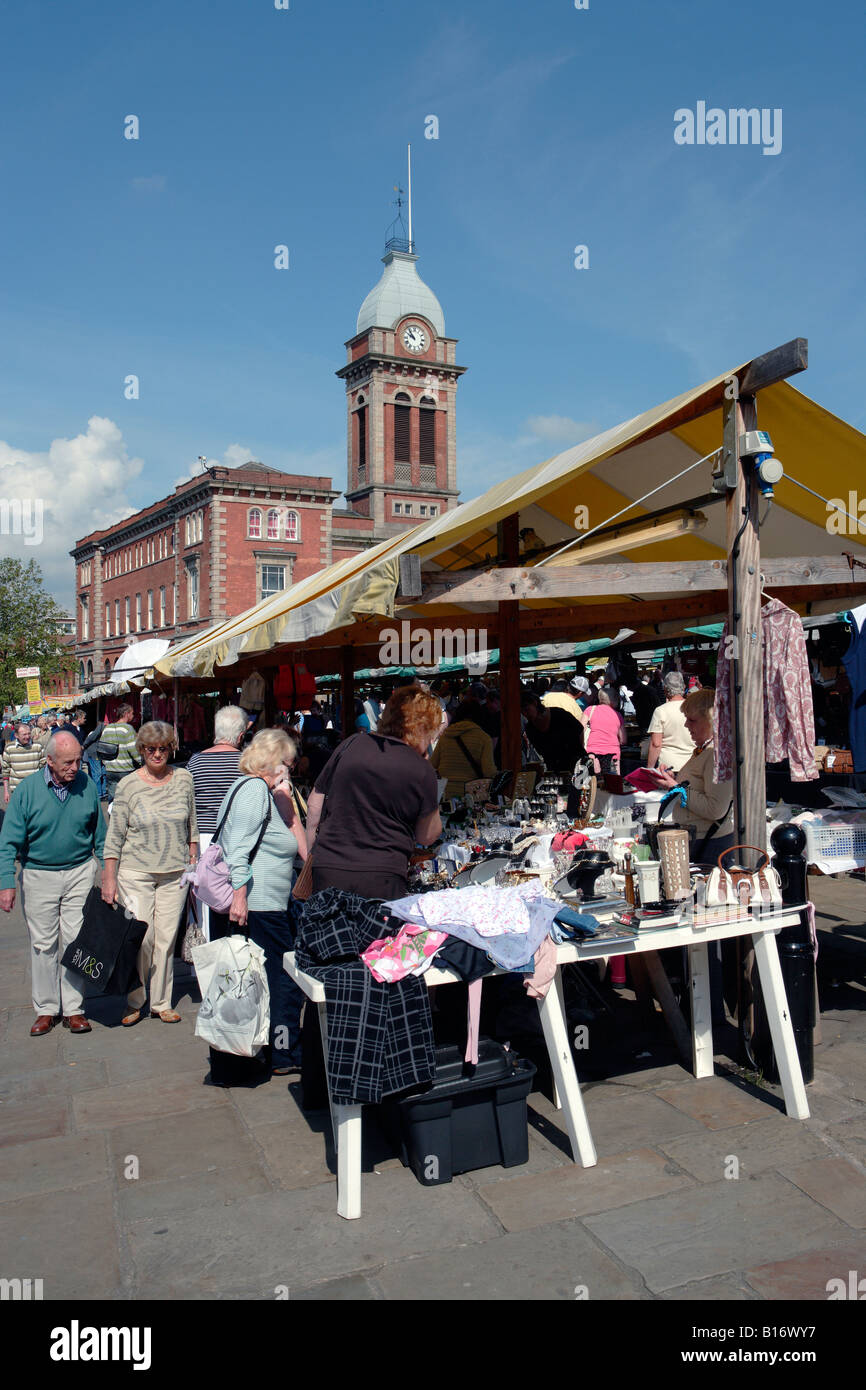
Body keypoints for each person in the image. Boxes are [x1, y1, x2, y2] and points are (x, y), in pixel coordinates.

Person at [0, 731, 106, 1035]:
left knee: (75, 941)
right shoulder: (28, 791)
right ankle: (47, 1008)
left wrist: (108, 871)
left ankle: (74, 1008)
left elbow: (100, 833)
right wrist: (6, 881)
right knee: (43, 944)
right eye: (68, 762)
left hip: (79, 872)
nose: (75, 767)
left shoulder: (85, 786)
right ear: (49, 761)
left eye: (78, 760)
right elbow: (7, 842)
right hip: (38, 874)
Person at [217, 728, 308, 1074]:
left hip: (267, 903)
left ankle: (270, 1048)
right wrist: (240, 897)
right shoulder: (253, 789)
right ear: (273, 761)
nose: (291, 770)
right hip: (260, 905)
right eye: (287, 763)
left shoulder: (261, 790)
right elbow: (237, 850)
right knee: (283, 980)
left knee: (270, 980)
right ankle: (283, 1051)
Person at [306, 684, 443, 900]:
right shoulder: (421, 769)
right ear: (423, 728)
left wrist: (310, 853)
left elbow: (315, 803)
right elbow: (426, 836)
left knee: (327, 932)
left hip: (329, 866)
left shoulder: (351, 743)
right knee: (375, 935)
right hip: (382, 875)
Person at [101, 721, 198, 1025]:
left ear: (171, 748)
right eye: (151, 749)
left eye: (163, 748)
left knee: (167, 940)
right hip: (136, 870)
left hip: (175, 870)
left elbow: (192, 822)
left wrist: (194, 855)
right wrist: (109, 877)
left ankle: (161, 1002)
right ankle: (135, 998)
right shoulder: (129, 784)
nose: (158, 754)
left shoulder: (184, 778)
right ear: (141, 750)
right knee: (144, 938)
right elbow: (114, 836)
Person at [645, 687, 734, 860]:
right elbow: (696, 788)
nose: (686, 725)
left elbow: (715, 809)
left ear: (710, 721)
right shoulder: (704, 750)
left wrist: (676, 787)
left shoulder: (715, 754)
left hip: (710, 844)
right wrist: (672, 781)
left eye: (692, 720)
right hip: (700, 839)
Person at [186, 706, 247, 837]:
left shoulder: (196, 761)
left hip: (202, 835)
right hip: (235, 836)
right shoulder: (247, 763)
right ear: (241, 736)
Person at [431, 698, 497, 798]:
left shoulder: (446, 736)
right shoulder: (483, 738)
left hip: (447, 793)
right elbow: (489, 771)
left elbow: (433, 764)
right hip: (472, 795)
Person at [520, 690, 585, 773]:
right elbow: (542, 752)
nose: (525, 714)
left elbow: (579, 729)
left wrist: (580, 752)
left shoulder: (559, 714)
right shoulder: (530, 728)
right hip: (554, 769)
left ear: (535, 703)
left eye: (526, 709)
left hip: (576, 764)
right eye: (522, 712)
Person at [88, 703, 141, 802]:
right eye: (132, 713)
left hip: (110, 770)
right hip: (125, 770)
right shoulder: (128, 729)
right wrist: (141, 762)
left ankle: (112, 815)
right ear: (126, 714)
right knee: (127, 799)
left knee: (113, 799)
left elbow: (102, 748)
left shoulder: (107, 728)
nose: (133, 716)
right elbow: (133, 750)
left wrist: (106, 763)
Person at [645, 671, 694, 773]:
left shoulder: (660, 711)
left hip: (669, 766)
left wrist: (649, 769)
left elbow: (656, 744)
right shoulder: (693, 707)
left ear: (665, 689)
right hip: (692, 763)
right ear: (684, 687)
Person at [584, 684, 626, 774]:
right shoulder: (618, 715)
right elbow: (623, 740)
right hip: (613, 754)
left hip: (592, 753)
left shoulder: (590, 710)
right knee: (612, 782)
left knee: (592, 781)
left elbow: (579, 730)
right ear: (613, 700)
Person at [2, 721, 46, 804]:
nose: (28, 737)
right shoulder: (9, 748)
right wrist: (6, 791)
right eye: (24, 734)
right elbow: (5, 771)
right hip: (17, 790)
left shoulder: (38, 746)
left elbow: (44, 767)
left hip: (35, 789)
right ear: (16, 735)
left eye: (29, 734)